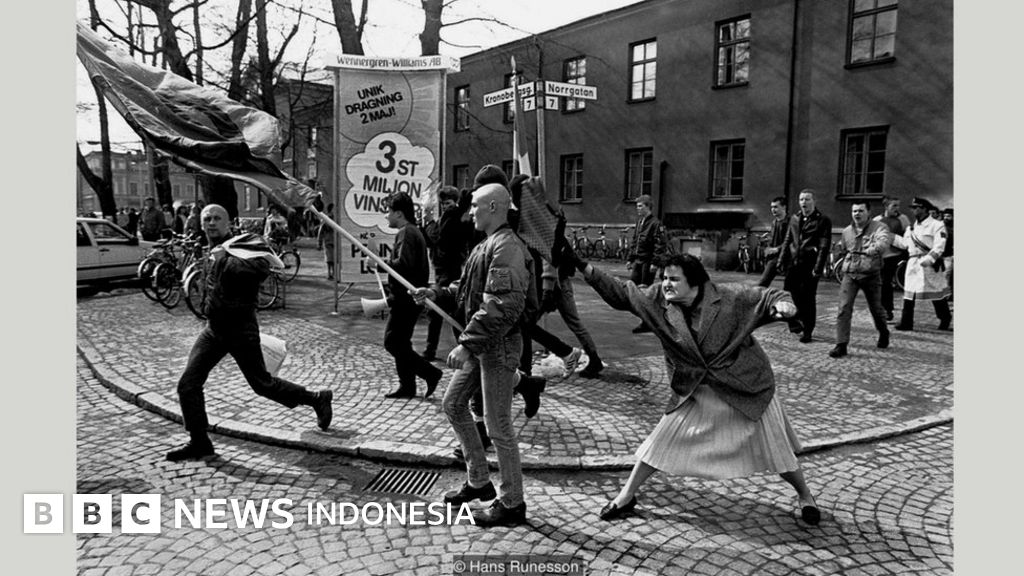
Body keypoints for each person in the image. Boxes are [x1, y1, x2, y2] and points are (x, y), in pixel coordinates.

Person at [554, 244, 821, 525]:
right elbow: (621, 293)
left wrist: (784, 305)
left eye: (673, 279)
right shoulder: (657, 299)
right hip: (694, 389)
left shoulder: (729, 298)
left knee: (776, 449)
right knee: (659, 443)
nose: (665, 284)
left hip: (746, 387)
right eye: (664, 278)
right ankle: (627, 496)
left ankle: (805, 496)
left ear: (694, 283)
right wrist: (584, 266)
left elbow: (768, 295)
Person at [167, 204, 333, 462]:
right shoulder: (210, 249)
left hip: (240, 329)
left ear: (228, 222)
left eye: (217, 218)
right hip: (214, 330)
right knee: (188, 384)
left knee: (262, 384)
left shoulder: (244, 243)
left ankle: (316, 398)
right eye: (207, 219)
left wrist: (227, 258)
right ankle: (200, 441)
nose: (211, 223)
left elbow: (260, 269)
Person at [412, 183, 534, 527]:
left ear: (494, 207)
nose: (470, 213)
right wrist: (434, 292)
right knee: (453, 405)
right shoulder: (486, 245)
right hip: (483, 344)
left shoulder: (507, 248)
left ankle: (512, 503)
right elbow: (465, 289)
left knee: (499, 427)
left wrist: (467, 343)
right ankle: (479, 481)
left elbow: (502, 305)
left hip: (497, 346)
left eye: (476, 206)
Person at [379, 192, 443, 399]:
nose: (386, 217)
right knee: (402, 342)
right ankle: (407, 386)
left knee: (392, 342)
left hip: (406, 298)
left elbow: (404, 266)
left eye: (388, 212)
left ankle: (430, 373)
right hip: (409, 297)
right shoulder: (412, 231)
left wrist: (380, 264)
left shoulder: (406, 233)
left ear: (398, 213)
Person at [829, 201, 891, 358]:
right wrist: (836, 253)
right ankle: (841, 344)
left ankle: (883, 332)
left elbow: (884, 241)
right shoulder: (847, 231)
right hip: (850, 273)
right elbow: (842, 249)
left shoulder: (879, 227)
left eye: (861, 211)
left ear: (868, 212)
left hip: (871, 274)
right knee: (844, 308)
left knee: (876, 309)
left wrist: (875, 248)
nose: (857, 214)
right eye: (854, 211)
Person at [421, 186, 471, 362]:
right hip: (442, 271)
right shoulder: (448, 217)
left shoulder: (453, 217)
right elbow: (431, 242)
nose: (445, 207)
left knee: (444, 312)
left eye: (448, 203)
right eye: (443, 204)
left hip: (450, 272)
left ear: (455, 202)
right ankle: (460, 346)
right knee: (444, 312)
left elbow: (438, 238)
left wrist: (429, 223)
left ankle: (437, 349)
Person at [777, 189, 832, 343]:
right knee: (787, 296)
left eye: (807, 199)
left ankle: (808, 330)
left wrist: (818, 268)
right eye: (801, 199)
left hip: (810, 265)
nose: (804, 203)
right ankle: (794, 323)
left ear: (814, 201)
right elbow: (788, 239)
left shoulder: (823, 220)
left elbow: (824, 246)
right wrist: (781, 259)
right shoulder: (794, 218)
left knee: (807, 299)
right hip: (793, 264)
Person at [893, 198, 952, 331]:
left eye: (916, 207)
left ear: (925, 208)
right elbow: (904, 244)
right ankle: (906, 322)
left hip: (929, 265)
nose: (913, 210)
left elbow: (939, 245)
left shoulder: (937, 225)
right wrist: (891, 237)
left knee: (936, 293)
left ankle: (945, 318)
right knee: (909, 294)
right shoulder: (911, 228)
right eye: (912, 207)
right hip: (913, 263)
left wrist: (930, 259)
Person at [627, 194, 668, 333]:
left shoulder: (656, 224)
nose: (637, 209)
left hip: (648, 262)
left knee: (646, 292)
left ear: (648, 206)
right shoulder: (640, 222)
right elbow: (635, 241)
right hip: (638, 260)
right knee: (632, 289)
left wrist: (655, 263)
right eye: (637, 206)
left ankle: (647, 322)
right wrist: (630, 259)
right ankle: (647, 317)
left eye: (640, 206)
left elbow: (660, 244)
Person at [873, 197, 911, 321]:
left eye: (898, 206)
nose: (897, 209)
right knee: (882, 283)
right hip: (881, 256)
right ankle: (884, 309)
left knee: (886, 282)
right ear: (886, 207)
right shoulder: (877, 220)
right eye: (894, 206)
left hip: (895, 255)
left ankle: (887, 310)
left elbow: (908, 236)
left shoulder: (903, 219)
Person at [757, 197, 789, 287]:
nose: (773, 210)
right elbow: (773, 239)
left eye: (776, 207)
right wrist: (769, 248)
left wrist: (777, 249)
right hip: (775, 258)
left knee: (790, 287)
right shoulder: (774, 222)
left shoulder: (791, 222)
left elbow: (792, 242)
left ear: (784, 207)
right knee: (763, 283)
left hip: (788, 257)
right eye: (772, 207)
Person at [317, 203, 337, 280]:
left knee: (334, 259)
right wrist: (319, 243)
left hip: (334, 241)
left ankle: (333, 273)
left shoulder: (336, 219)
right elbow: (321, 232)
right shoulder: (326, 220)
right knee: (330, 259)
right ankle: (330, 273)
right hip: (329, 241)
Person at [941, 208, 953, 301]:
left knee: (947, 276)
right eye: (945, 216)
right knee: (945, 275)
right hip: (943, 255)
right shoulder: (940, 226)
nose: (946, 218)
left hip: (950, 254)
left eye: (948, 216)